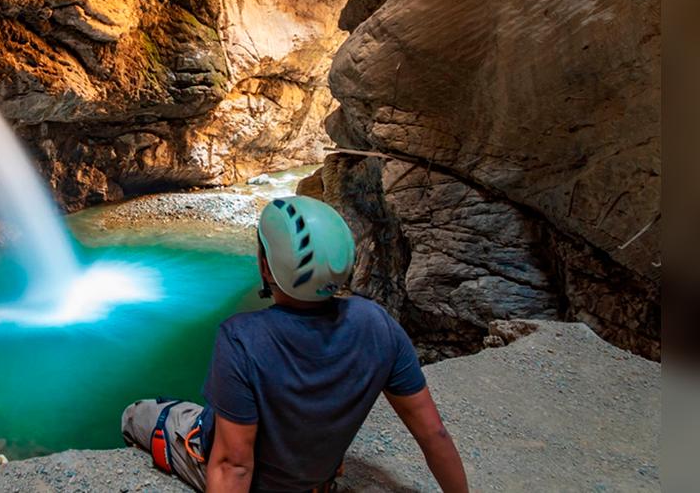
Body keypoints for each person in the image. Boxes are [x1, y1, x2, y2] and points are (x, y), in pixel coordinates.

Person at [121, 196, 469, 492]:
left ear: (267, 268)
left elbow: (233, 466)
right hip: (314, 477)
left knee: (139, 413)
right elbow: (433, 434)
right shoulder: (377, 324)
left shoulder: (242, 338)